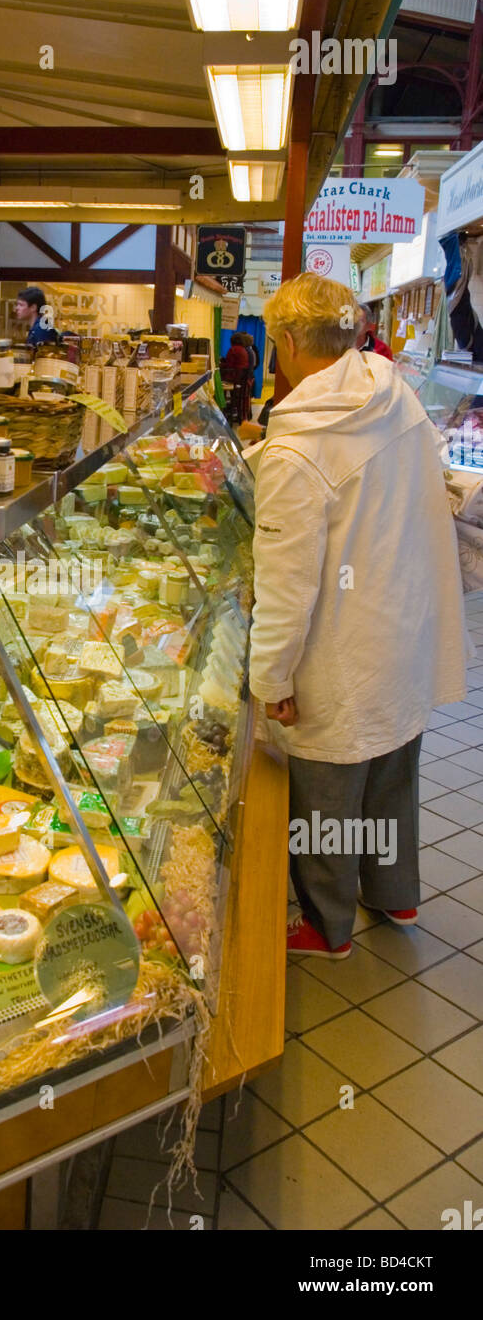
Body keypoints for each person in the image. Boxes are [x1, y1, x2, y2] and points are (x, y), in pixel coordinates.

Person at [249, 273, 467, 959]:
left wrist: (272, 679)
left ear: (285, 341)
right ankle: (394, 892)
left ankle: (326, 923)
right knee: (393, 768)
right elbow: (371, 480)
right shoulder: (392, 394)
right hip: (403, 626)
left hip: (340, 647)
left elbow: (287, 586)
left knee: (328, 794)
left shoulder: (297, 448)